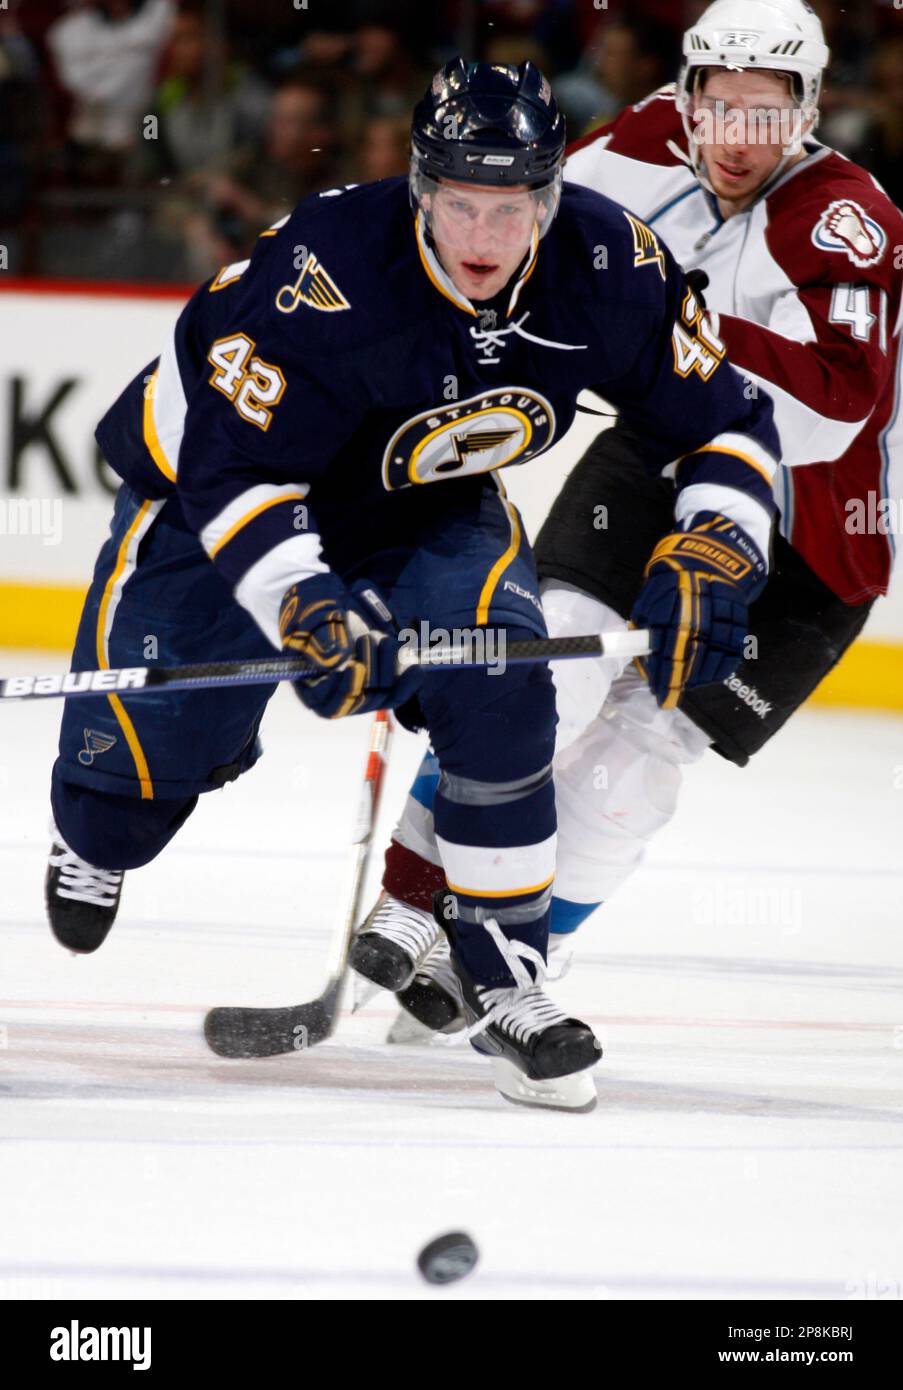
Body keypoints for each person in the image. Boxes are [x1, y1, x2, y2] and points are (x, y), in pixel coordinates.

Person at [45, 60, 780, 1111]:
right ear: (421, 191)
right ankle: (95, 834)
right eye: (461, 206)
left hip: (423, 498)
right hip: (213, 496)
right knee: (131, 791)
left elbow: (729, 425)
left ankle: (504, 975)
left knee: (505, 689)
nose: (484, 238)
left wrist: (717, 542)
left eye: (513, 208)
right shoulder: (326, 272)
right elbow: (234, 472)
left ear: (550, 199)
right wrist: (305, 602)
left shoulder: (610, 265)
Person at [365, 1, 903, 1040]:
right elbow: (499, 218)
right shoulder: (639, 147)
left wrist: (669, 321)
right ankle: (412, 892)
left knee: (630, 776)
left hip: (818, 539)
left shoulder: (846, 219)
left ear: (810, 109)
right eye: (721, 106)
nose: (740, 137)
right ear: (686, 97)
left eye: (768, 112)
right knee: (540, 671)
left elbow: (836, 409)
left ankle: (520, 954)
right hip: (664, 462)